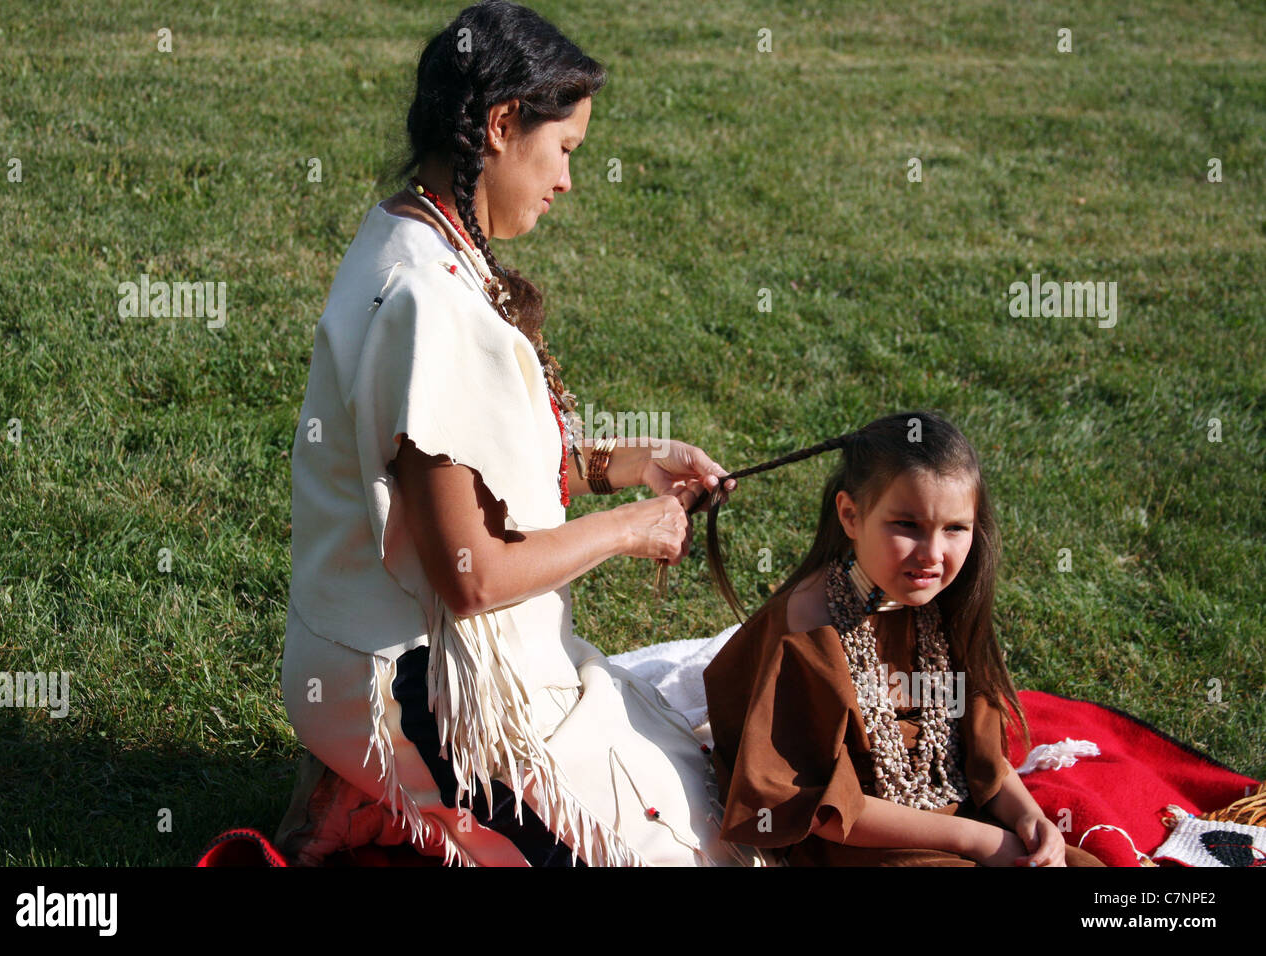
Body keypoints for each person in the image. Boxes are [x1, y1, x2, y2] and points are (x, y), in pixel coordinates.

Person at [276, 0, 762, 867]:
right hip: (411, 682)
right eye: (564, 148)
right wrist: (630, 531)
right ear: (502, 125)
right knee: (674, 854)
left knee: (688, 780)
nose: (567, 179)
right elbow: (471, 578)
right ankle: (376, 787)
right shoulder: (427, 301)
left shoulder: (412, 232)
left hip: (394, 647)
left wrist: (631, 466)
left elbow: (476, 470)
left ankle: (373, 791)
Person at [700, 411, 1105, 866]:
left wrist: (1029, 818)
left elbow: (983, 758)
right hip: (859, 843)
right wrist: (974, 841)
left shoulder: (941, 604)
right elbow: (812, 810)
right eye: (907, 526)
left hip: (954, 817)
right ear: (851, 516)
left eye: (955, 528)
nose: (933, 555)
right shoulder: (808, 628)